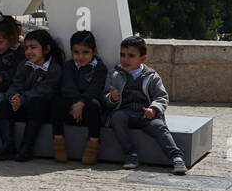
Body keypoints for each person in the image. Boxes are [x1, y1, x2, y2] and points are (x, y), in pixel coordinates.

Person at [103, 36, 187, 174]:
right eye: (122, 55)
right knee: (116, 117)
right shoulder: (114, 74)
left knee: (159, 126)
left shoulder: (151, 76)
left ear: (142, 59)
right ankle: (131, 154)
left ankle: (176, 157)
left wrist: (153, 109)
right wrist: (112, 98)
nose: (125, 59)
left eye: (131, 56)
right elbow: (104, 96)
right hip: (125, 113)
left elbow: (162, 96)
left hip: (146, 114)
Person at [0, 29, 64, 162]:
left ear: (46, 49)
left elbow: (44, 91)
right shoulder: (24, 65)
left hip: (41, 109)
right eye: (26, 48)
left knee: (37, 104)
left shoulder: (54, 68)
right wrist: (13, 97)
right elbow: (15, 84)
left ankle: (27, 147)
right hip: (22, 103)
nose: (28, 51)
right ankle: (8, 146)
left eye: (33, 47)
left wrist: (22, 99)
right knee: (3, 107)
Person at [52, 30, 108, 165]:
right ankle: (58, 139)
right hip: (71, 107)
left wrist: (82, 103)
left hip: (87, 106)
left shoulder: (100, 68)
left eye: (85, 52)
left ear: (93, 51)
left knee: (94, 106)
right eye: (76, 52)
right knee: (57, 102)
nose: (81, 57)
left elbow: (95, 88)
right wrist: (76, 103)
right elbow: (67, 87)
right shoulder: (68, 66)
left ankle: (93, 143)